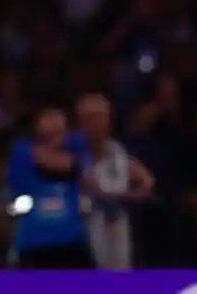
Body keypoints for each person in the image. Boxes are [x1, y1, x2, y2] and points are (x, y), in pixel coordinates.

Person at [8, 107, 94, 268]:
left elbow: (73, 165)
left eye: (57, 117)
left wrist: (58, 144)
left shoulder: (78, 144)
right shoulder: (22, 150)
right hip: (34, 240)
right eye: (48, 116)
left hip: (72, 239)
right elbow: (48, 162)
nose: (53, 122)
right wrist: (53, 145)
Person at [77, 93, 155, 270]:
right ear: (80, 123)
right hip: (82, 227)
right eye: (90, 119)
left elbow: (147, 181)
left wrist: (130, 196)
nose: (95, 124)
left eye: (101, 117)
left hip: (115, 225)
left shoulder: (117, 151)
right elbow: (94, 189)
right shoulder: (73, 154)